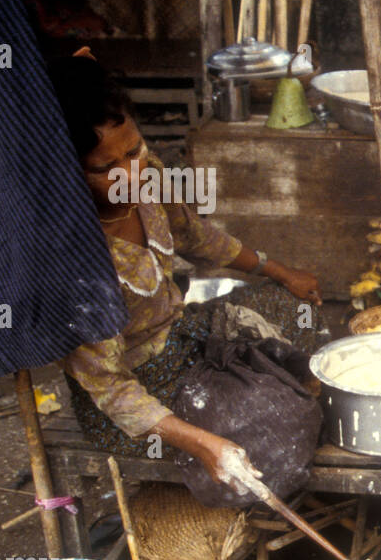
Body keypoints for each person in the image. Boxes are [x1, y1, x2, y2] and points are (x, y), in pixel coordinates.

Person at [48, 53, 323, 490]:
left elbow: (194, 235)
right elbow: (113, 390)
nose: (131, 173)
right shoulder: (72, 260)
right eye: (105, 168)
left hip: (183, 337)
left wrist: (280, 270)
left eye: (134, 150)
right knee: (278, 421)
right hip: (134, 397)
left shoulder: (148, 175)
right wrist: (202, 444)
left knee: (295, 311)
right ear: (64, 173)